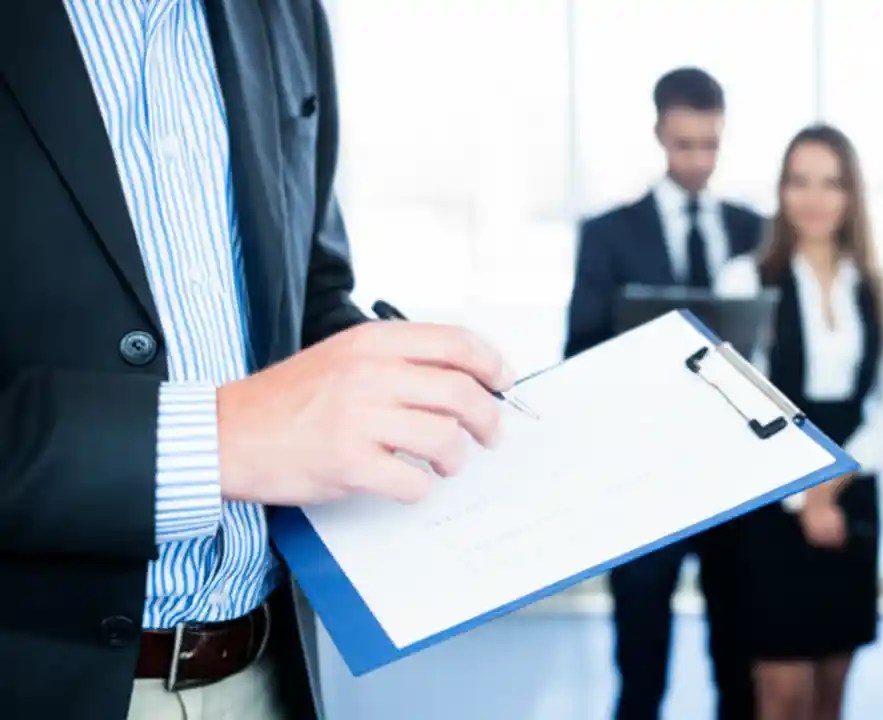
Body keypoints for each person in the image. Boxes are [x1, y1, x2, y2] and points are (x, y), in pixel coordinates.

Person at [0, 3, 512, 719]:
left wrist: (403, 388)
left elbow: (309, 295)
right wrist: (217, 437)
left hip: (270, 673)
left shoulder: (285, 14)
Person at [564, 68, 764, 720]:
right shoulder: (608, 234)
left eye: (711, 144)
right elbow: (580, 353)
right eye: (685, 144)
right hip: (644, 485)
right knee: (641, 670)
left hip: (733, 481)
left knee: (739, 668)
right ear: (658, 134)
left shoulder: (753, 231)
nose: (699, 160)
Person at [715, 125, 883, 720]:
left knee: (831, 692)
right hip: (774, 504)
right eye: (800, 182)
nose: (815, 198)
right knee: (781, 694)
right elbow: (741, 406)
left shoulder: (875, 286)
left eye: (831, 183)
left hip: (852, 500)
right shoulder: (744, 279)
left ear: (851, 195)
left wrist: (832, 488)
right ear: (781, 191)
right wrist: (805, 499)